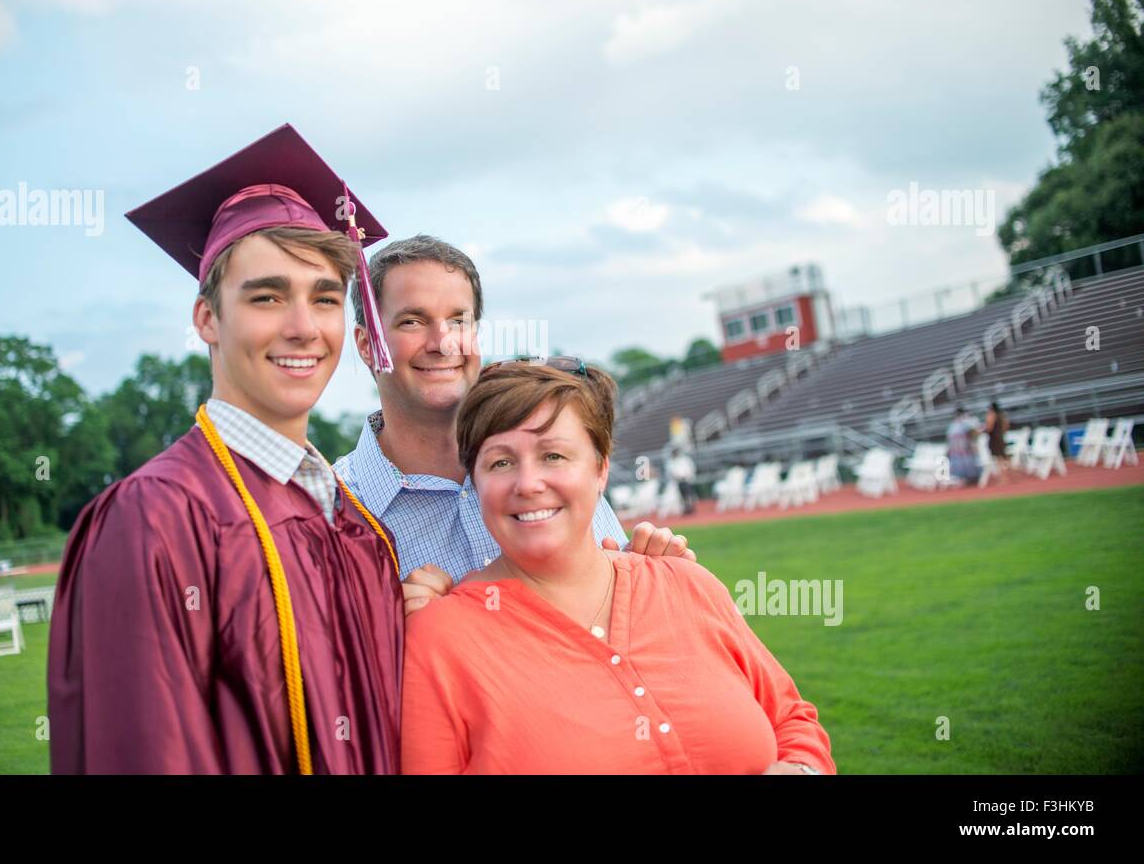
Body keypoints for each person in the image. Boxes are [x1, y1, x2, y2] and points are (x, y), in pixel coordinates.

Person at [47, 125, 404, 774]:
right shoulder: (153, 521)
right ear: (207, 318)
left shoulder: (359, 531)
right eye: (267, 295)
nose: (303, 326)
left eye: (324, 298)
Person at [401, 360, 835, 774]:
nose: (528, 483)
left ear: (601, 469)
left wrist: (802, 768)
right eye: (501, 462)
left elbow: (791, 717)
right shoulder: (440, 638)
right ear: (475, 485)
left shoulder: (687, 583)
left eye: (554, 456)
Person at [333, 236, 693, 614]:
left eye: (458, 320)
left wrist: (648, 572)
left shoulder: (547, 460)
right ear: (366, 344)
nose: (443, 343)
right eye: (412, 321)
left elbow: (619, 618)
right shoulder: (333, 513)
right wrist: (394, 637)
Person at [947, 406, 983, 486]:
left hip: (964, 447)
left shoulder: (961, 423)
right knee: (964, 464)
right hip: (959, 448)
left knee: (968, 463)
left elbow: (973, 432)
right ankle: (968, 478)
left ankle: (972, 478)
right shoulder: (957, 424)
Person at [667, 447, 698, 515]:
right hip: (678, 481)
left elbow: (690, 468)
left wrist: (688, 476)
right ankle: (686, 507)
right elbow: (670, 472)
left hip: (686, 480)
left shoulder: (685, 459)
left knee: (688, 494)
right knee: (682, 495)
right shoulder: (671, 462)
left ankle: (691, 507)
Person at [984, 401, 1010, 483]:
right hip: (1001, 437)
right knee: (1004, 457)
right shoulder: (1001, 415)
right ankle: (1010, 475)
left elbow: (989, 428)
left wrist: (984, 430)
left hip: (994, 439)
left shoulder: (992, 415)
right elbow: (1006, 425)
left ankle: (1003, 478)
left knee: (999, 459)